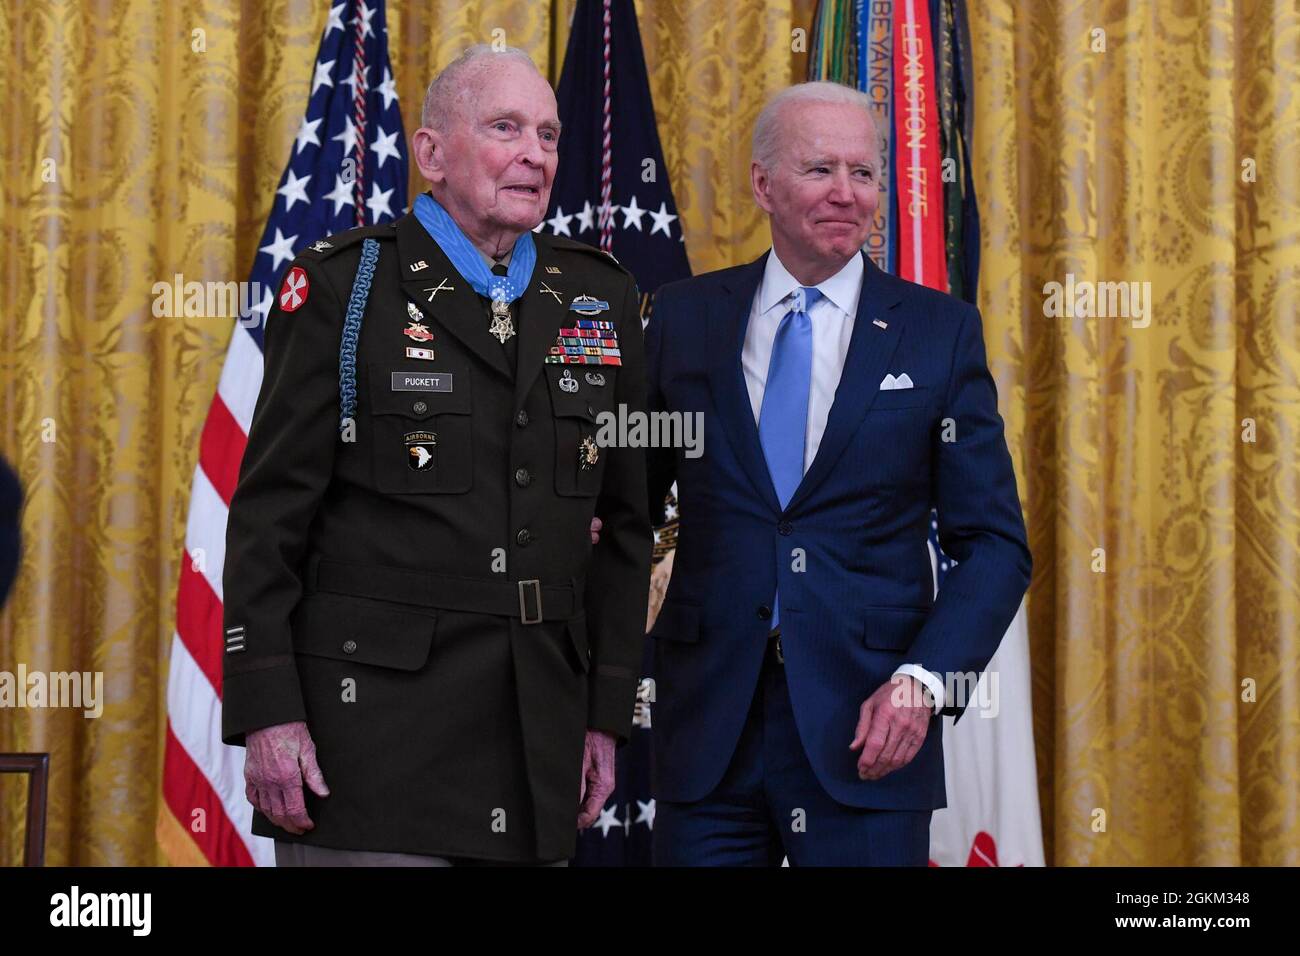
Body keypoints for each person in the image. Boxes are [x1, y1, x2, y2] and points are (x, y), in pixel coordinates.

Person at [221, 45, 650, 866]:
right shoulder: (345, 290)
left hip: (536, 741)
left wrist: (604, 713)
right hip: (371, 747)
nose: (536, 153)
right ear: (430, 153)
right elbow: (269, 518)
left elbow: (627, 528)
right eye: (506, 128)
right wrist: (268, 710)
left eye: (551, 135)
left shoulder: (601, 298)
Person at [644, 81, 1032, 866]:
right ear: (763, 184)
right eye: (821, 170)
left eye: (864, 174)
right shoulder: (684, 319)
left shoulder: (939, 334)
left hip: (871, 736)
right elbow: (624, 513)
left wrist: (926, 683)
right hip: (707, 734)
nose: (847, 195)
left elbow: (994, 544)